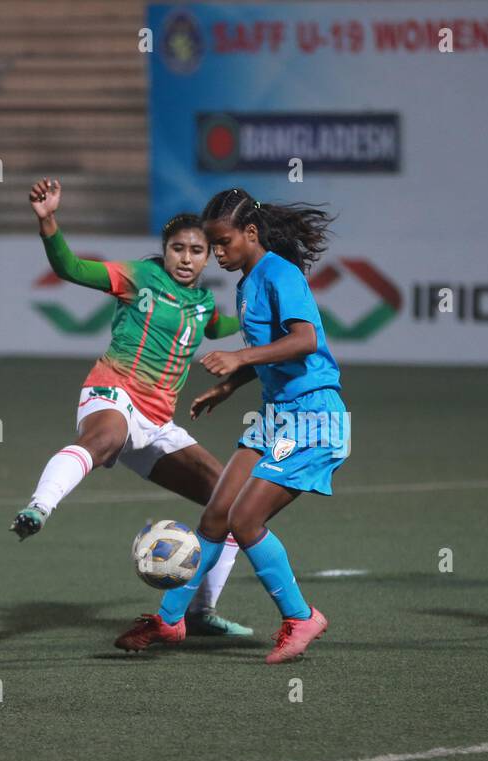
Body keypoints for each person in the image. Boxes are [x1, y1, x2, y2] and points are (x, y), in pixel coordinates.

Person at [114, 188, 348, 664]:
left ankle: (300, 617)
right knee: (217, 514)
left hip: (313, 417)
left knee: (245, 520)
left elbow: (303, 340)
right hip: (276, 415)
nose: (215, 253)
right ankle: (171, 619)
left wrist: (240, 355)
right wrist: (232, 384)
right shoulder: (247, 282)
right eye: (210, 244)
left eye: (221, 243)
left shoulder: (280, 274)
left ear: (251, 233)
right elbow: (275, 349)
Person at [12, 178, 251, 636]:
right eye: (178, 248)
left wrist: (271, 313)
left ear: (209, 257)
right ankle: (38, 508)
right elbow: (70, 268)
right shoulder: (140, 277)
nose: (186, 257)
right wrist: (48, 221)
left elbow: (225, 326)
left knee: (231, 505)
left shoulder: (203, 304)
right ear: (165, 250)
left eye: (196, 251)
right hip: (112, 394)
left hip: (158, 423)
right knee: (104, 441)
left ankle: (199, 612)